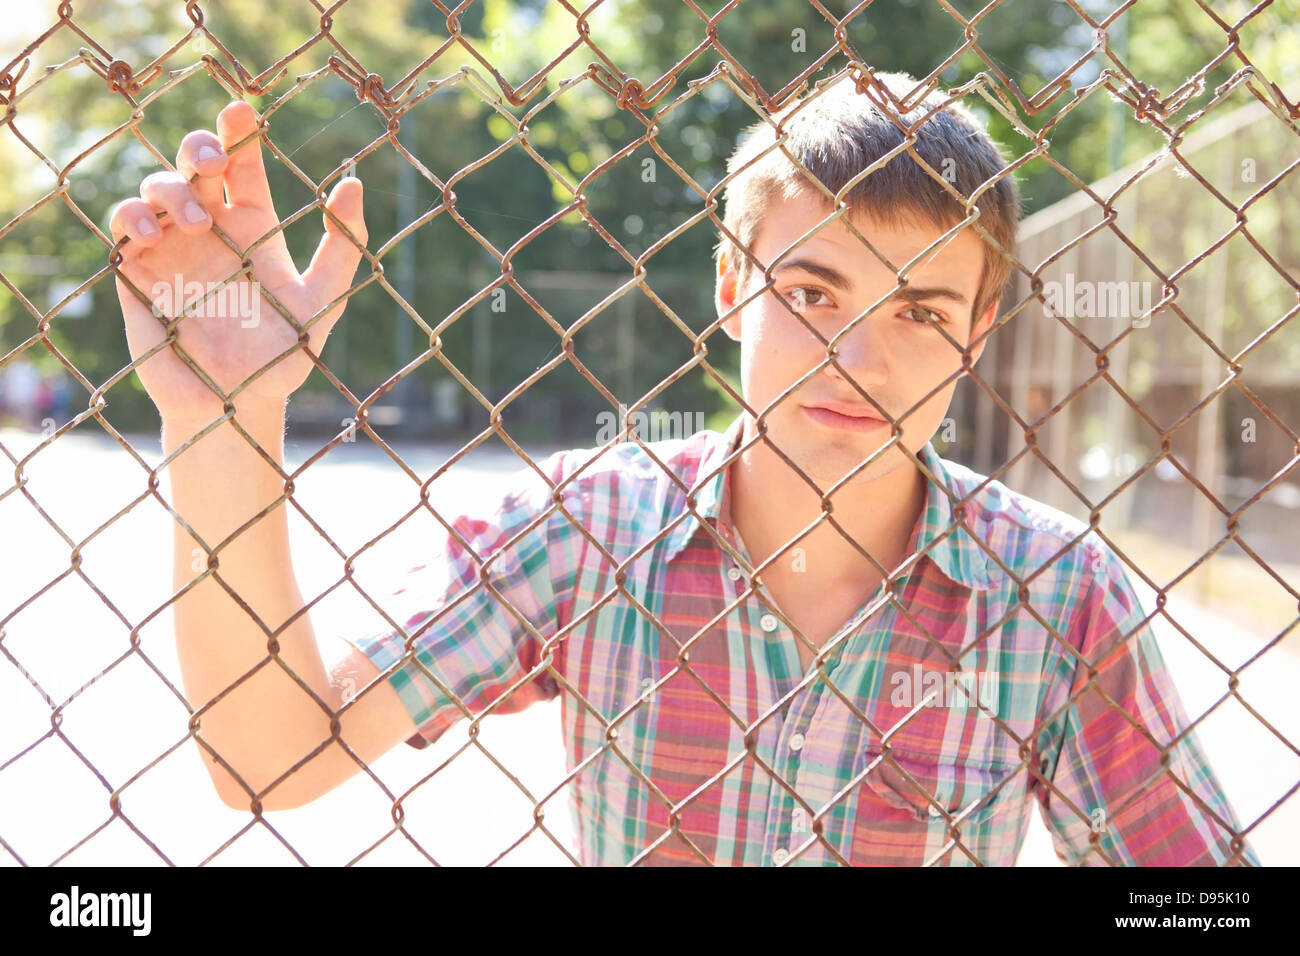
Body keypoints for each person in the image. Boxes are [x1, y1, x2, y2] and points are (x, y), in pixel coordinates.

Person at [109, 67, 1257, 866]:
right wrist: (224, 414)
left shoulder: (1056, 593)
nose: (857, 358)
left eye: (920, 309)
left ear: (979, 325)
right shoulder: (589, 527)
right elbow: (268, 755)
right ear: (728, 288)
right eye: (810, 294)